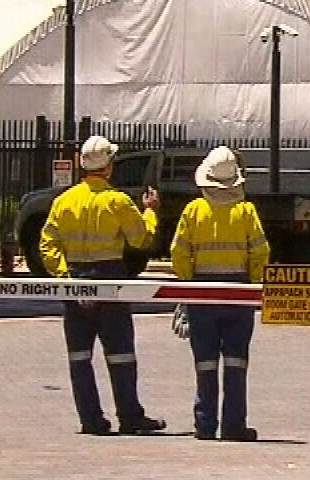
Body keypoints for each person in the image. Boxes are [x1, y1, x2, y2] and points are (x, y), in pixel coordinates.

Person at [39, 135, 165, 437]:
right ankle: (130, 416)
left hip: (74, 280)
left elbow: (48, 244)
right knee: (120, 354)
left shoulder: (64, 201)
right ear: (108, 167)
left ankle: (91, 420)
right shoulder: (117, 201)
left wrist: (65, 279)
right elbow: (141, 239)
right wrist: (151, 211)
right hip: (109, 279)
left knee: (80, 357)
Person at [169, 146, 268, 442]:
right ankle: (234, 425)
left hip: (201, 292)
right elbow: (261, 252)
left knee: (205, 362)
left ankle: (204, 424)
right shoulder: (246, 211)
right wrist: (252, 282)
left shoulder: (193, 210)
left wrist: (188, 286)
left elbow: (178, 252)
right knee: (236, 361)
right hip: (238, 291)